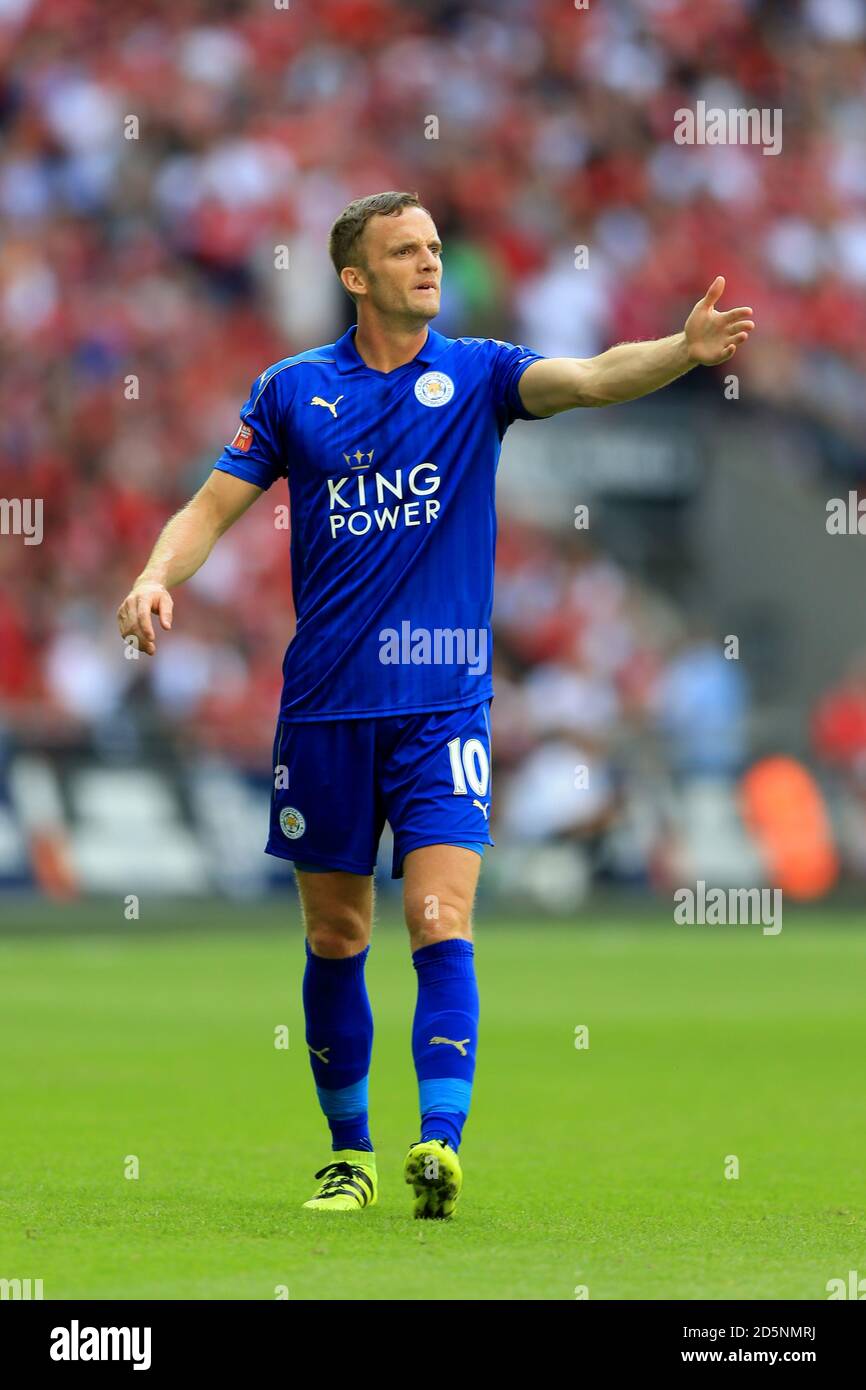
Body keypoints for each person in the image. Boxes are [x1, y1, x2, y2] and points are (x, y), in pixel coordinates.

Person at [117, 190, 754, 1218]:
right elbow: (208, 505)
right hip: (324, 709)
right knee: (335, 934)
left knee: (439, 913)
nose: (427, 263)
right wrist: (159, 575)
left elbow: (589, 377)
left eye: (431, 247)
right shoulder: (291, 391)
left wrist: (679, 350)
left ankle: (437, 1144)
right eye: (402, 251)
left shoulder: (477, 374)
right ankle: (348, 1152)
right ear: (354, 277)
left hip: (443, 708)